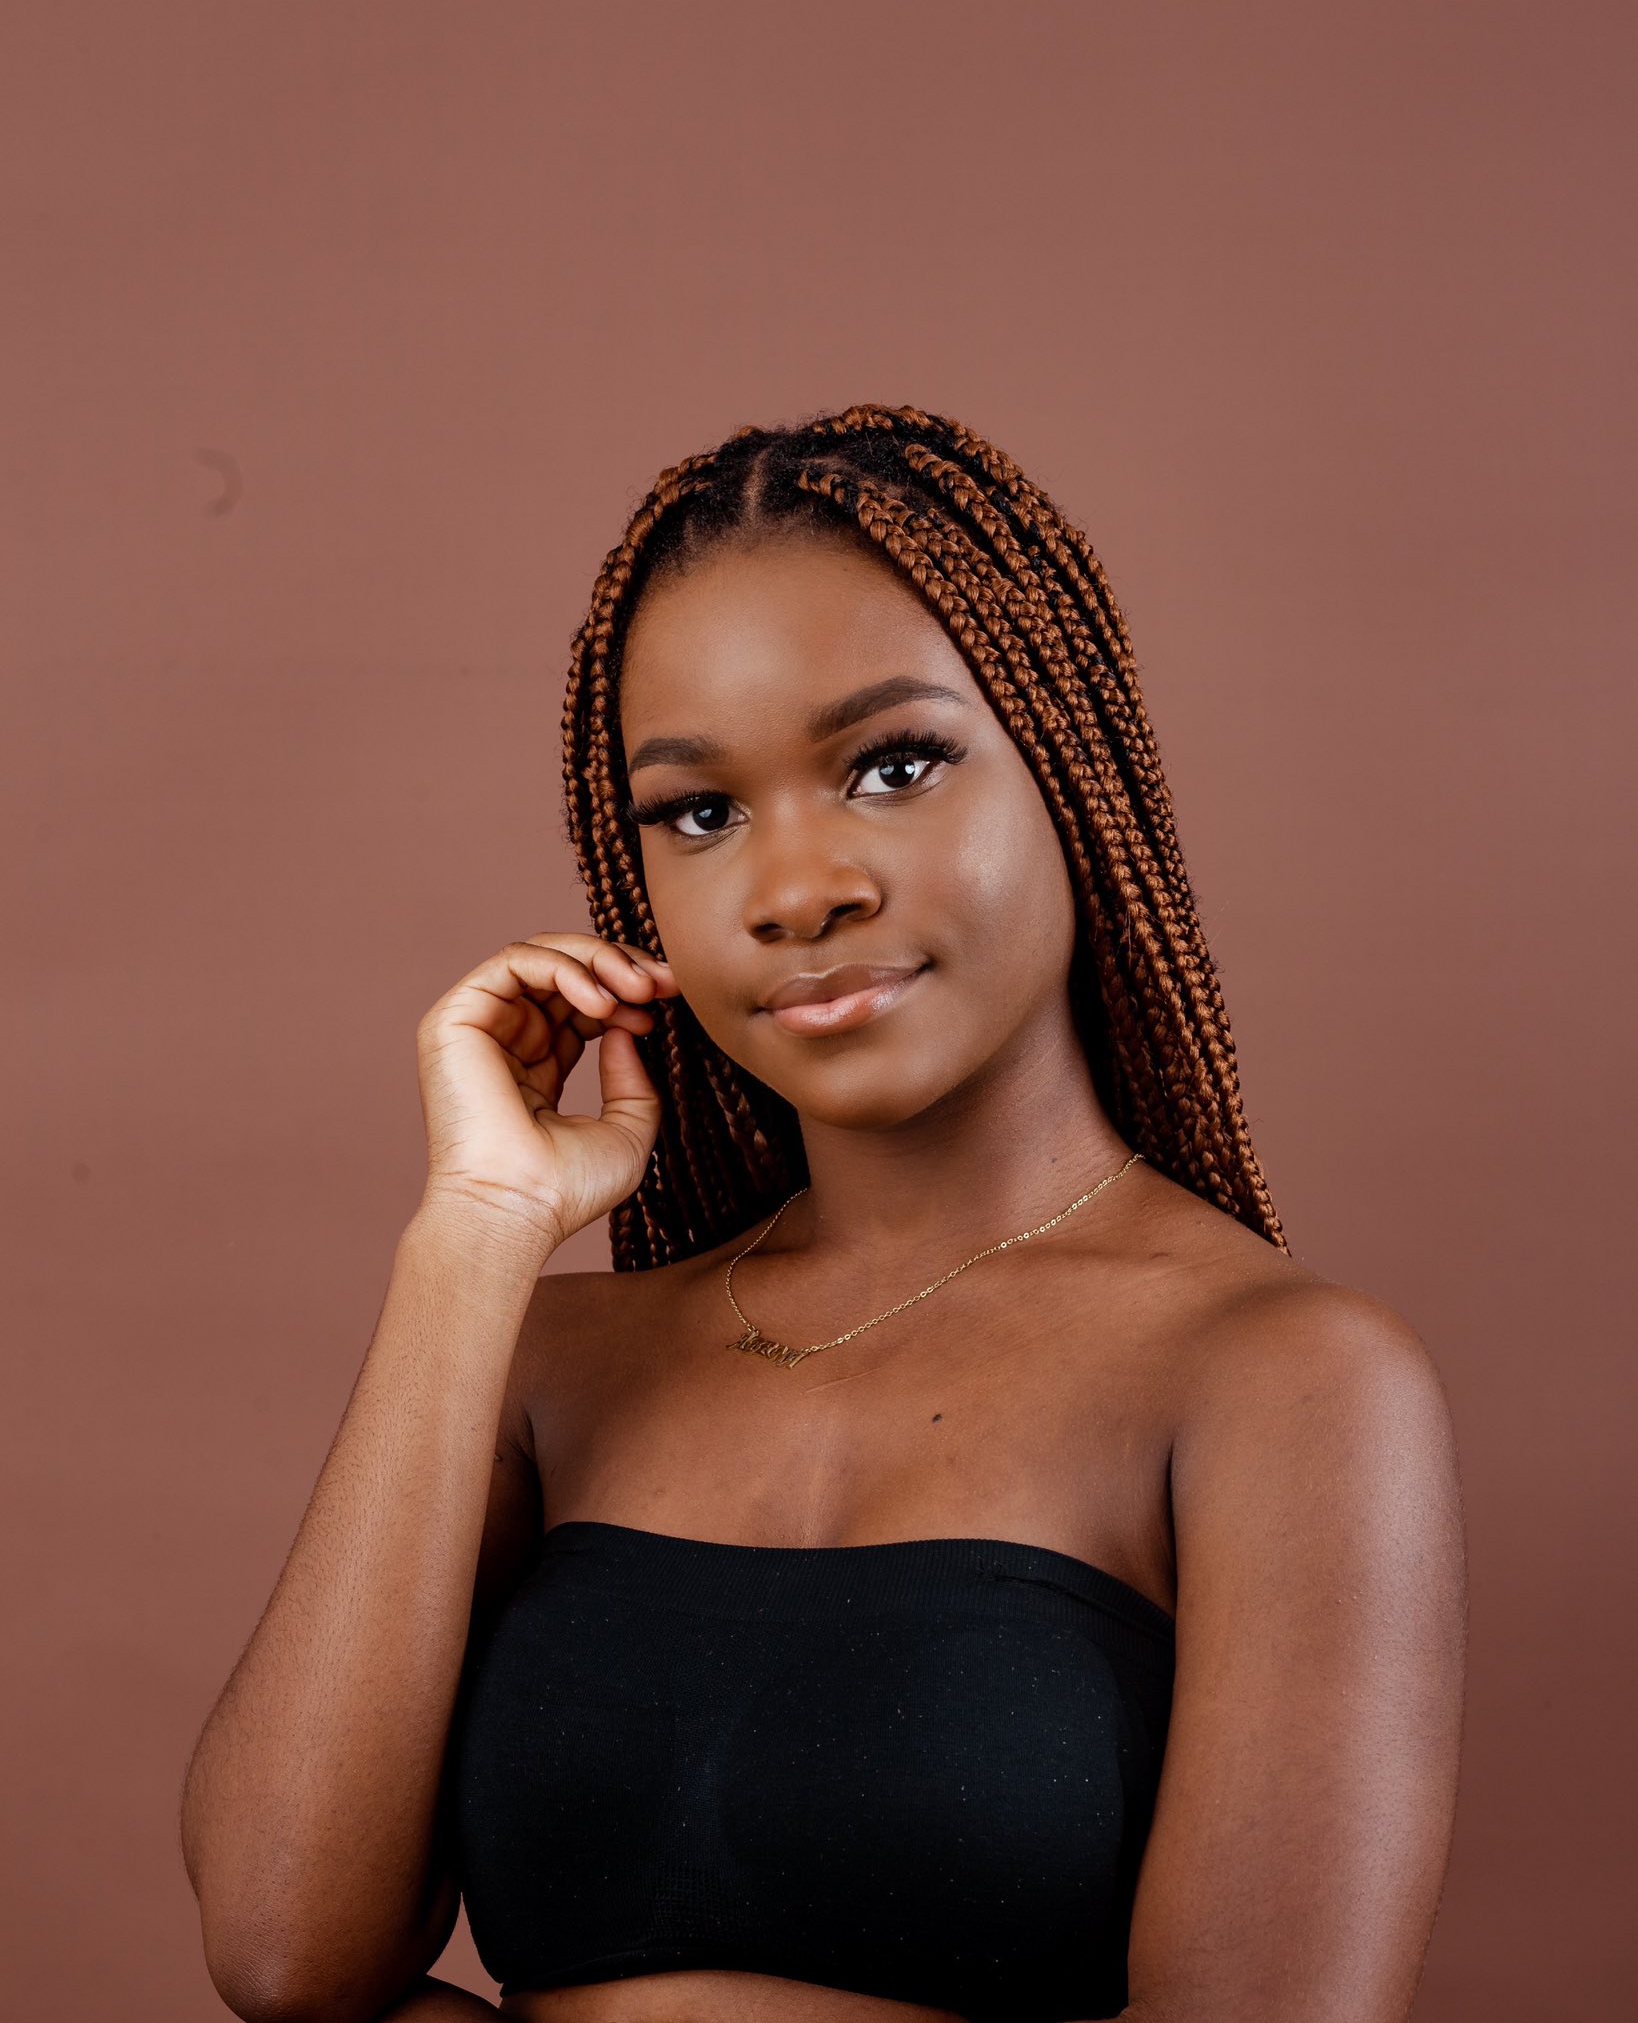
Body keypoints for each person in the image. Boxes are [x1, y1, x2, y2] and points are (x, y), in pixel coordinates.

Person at [180, 404, 1467, 2023]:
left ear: (1069, 775)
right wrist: (472, 1240)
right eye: (700, 813)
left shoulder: (1283, 1380)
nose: (795, 888)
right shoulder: (549, 1361)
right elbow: (285, 1950)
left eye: (894, 765)